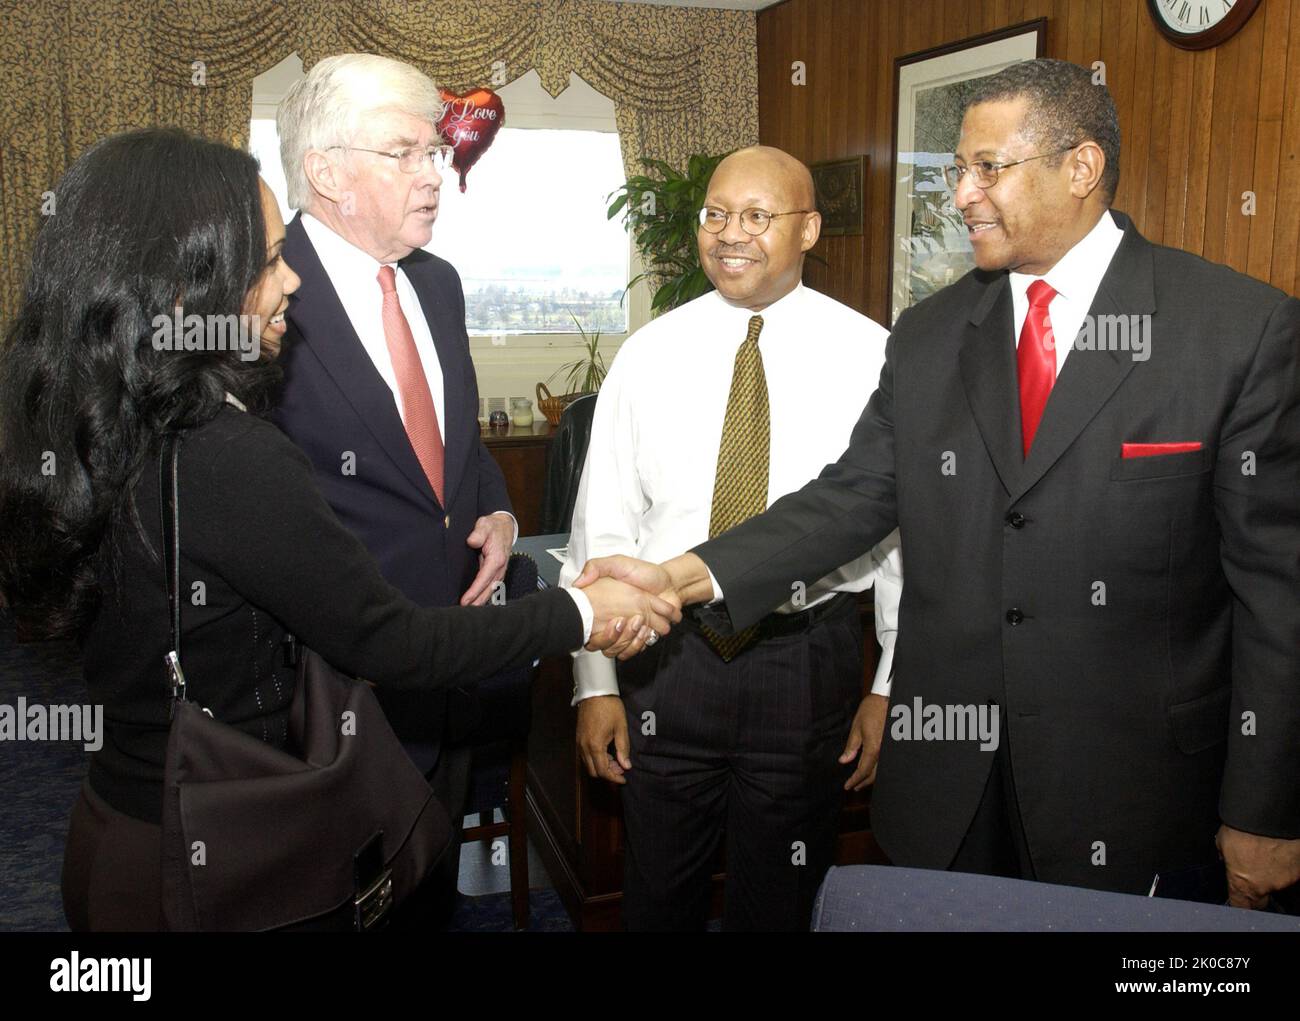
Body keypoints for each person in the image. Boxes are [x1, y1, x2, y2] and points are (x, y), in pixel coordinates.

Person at [579, 59, 1300, 909]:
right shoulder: (928, 336)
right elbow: (849, 500)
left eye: (987, 168)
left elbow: (1278, 597)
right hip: (948, 784)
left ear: (1081, 168)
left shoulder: (1233, 330)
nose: (960, 194)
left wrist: (1267, 806)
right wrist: (680, 576)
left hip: (1129, 790)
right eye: (957, 169)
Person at [0, 128, 678, 931]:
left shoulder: (84, 419)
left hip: (118, 834)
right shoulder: (228, 454)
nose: (290, 280)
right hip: (218, 863)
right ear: (187, 288)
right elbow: (395, 643)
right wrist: (582, 612)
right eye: (268, 260)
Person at [560, 146, 903, 931]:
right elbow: (601, 527)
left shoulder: (875, 355)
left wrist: (888, 683)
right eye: (715, 214)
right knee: (658, 893)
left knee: (782, 900)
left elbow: (898, 537)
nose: (729, 234)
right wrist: (596, 686)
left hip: (804, 666)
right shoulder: (649, 353)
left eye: (757, 215)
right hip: (667, 658)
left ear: (810, 229)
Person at [269, 55, 515, 864]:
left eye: (433, 153)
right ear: (326, 172)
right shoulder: (260, 299)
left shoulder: (438, 284)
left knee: (426, 882)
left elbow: (460, 447)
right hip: (328, 701)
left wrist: (501, 511)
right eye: (402, 153)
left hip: (450, 672)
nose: (432, 175)